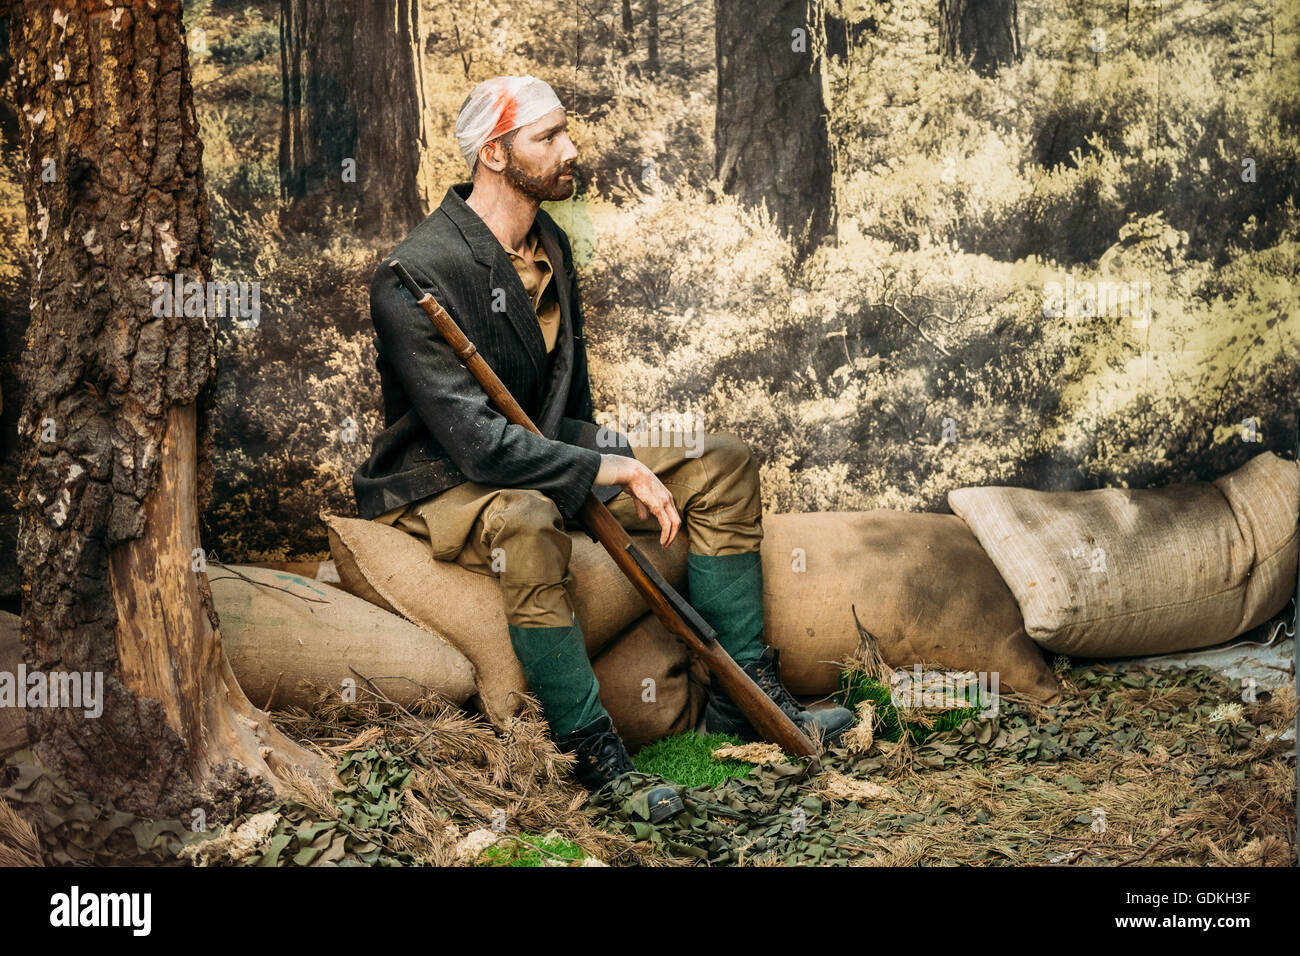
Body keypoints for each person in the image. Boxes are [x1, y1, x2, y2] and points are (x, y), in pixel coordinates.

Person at [352, 75, 853, 821]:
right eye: (547, 137)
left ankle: (743, 695)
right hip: (444, 477)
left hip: (540, 446)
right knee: (524, 517)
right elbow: (482, 449)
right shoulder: (412, 274)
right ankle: (593, 754)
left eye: (565, 131)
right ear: (494, 153)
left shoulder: (548, 241)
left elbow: (568, 410)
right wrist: (602, 467)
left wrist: (619, 456)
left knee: (721, 459)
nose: (570, 149)